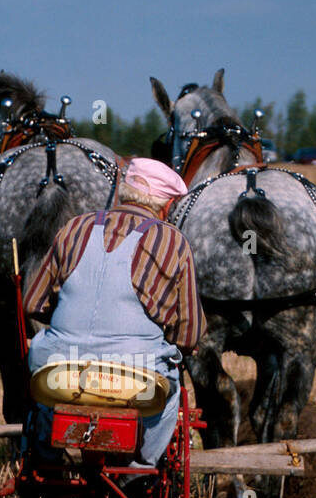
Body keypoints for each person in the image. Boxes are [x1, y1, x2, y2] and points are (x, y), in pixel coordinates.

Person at [24, 157, 205, 466]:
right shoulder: (173, 241)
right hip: (135, 375)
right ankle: (138, 469)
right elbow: (188, 335)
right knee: (171, 389)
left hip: (61, 372)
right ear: (168, 205)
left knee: (41, 385)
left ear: (124, 192)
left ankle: (46, 453)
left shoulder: (74, 228)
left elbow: (33, 304)